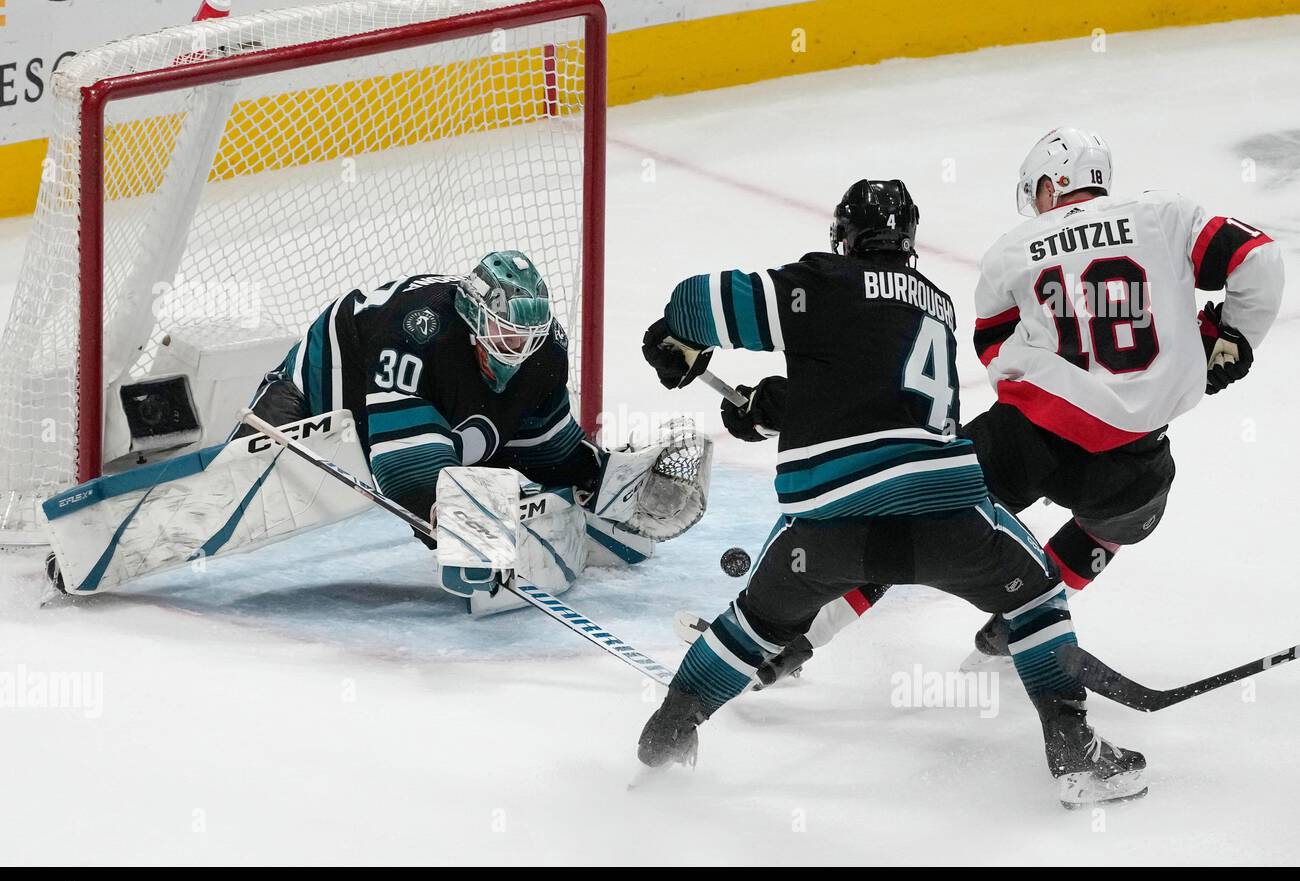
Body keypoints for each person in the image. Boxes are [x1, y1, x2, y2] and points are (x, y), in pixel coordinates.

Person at [638, 179, 1146, 807]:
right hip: (950, 522)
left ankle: (666, 740)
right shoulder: (937, 305)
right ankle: (1076, 756)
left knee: (752, 622)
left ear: (843, 235)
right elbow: (875, 392)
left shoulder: (821, 284)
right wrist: (779, 405)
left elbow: (694, 302)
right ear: (907, 240)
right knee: (1037, 596)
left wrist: (679, 338)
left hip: (829, 538)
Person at [748, 127, 1285, 678]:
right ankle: (1015, 628)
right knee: (1118, 520)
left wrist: (1059, 380)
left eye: (1038, 193)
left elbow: (994, 348)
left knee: (913, 519)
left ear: (1055, 184)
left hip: (1028, 438)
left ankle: (790, 644)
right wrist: (1233, 338)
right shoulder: (1167, 214)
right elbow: (1257, 258)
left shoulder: (1012, 249)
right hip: (1134, 460)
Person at [236, 250, 704, 613]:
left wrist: (598, 482)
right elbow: (402, 467)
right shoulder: (419, 334)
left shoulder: (541, 351)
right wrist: (453, 518)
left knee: (536, 454)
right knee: (250, 461)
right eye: (506, 334)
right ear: (476, 317)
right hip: (336, 375)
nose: (518, 349)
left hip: (448, 410)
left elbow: (548, 446)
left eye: (528, 336)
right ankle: (262, 416)